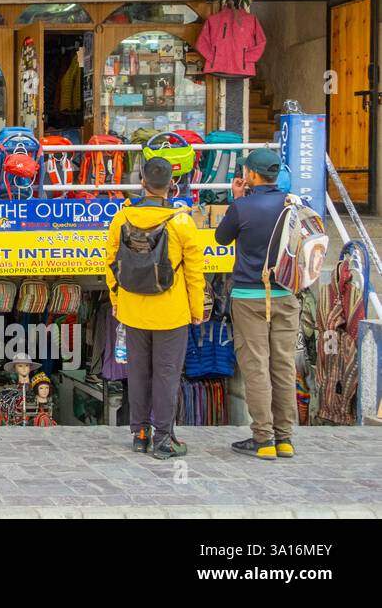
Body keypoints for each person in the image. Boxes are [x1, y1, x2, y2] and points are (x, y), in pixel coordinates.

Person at [104, 157, 205, 459]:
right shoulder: (181, 222)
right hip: (171, 312)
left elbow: (110, 264)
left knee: (137, 372)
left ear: (143, 183)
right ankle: (163, 439)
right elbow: (194, 272)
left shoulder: (122, 219)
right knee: (167, 374)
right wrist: (197, 309)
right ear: (170, 186)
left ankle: (140, 433)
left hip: (133, 309)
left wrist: (116, 301)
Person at [214, 148, 297, 460]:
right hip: (286, 295)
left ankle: (263, 439)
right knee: (283, 365)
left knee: (256, 366)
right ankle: (285, 439)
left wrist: (236, 200)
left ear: (250, 175)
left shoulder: (243, 207)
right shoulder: (292, 205)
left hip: (250, 296)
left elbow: (222, 238)